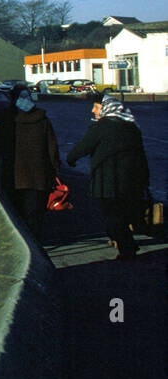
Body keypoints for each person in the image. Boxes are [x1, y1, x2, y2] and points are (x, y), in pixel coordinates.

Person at [66, 93, 151, 260]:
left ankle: (127, 250)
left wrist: (71, 160)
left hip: (108, 181)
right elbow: (142, 155)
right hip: (132, 181)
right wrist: (144, 180)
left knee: (112, 216)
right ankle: (125, 242)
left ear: (104, 108)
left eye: (96, 107)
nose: (93, 111)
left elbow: (83, 147)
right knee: (122, 213)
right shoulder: (132, 126)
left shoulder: (100, 127)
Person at [8, 86, 59, 241]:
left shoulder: (9, 119)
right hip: (39, 175)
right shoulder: (42, 119)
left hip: (14, 176)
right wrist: (55, 170)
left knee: (16, 212)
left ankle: (21, 241)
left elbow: (0, 145)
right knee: (35, 213)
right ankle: (34, 242)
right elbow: (52, 148)